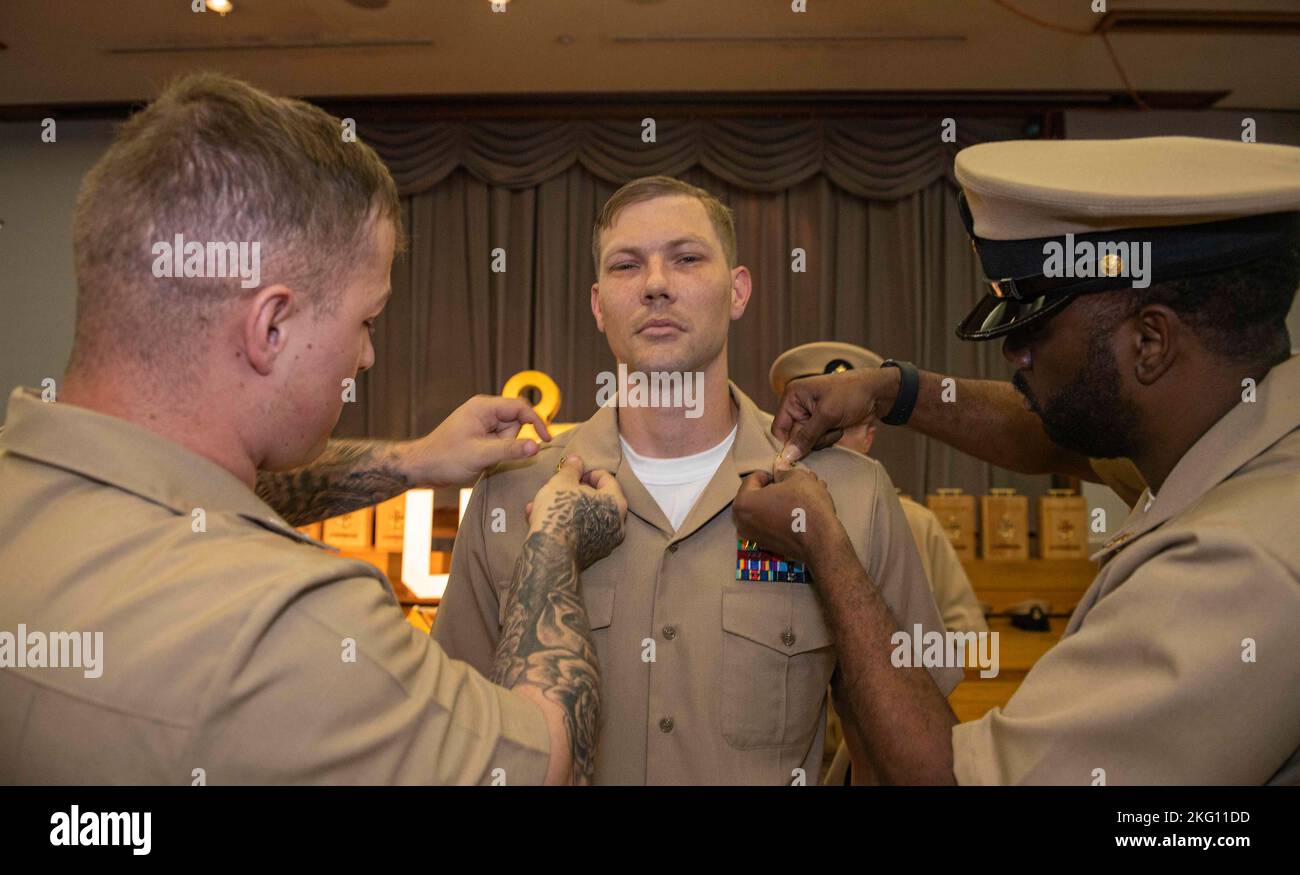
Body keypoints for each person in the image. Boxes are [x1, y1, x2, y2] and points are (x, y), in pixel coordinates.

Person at [0, 72, 627, 786]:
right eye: (366, 320)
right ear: (271, 327)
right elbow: (547, 762)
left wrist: (413, 460)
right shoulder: (292, 629)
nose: (367, 355)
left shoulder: (40, 494)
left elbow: (192, 495)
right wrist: (553, 547)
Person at [738, 136, 1300, 784]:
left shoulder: (1236, 568)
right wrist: (891, 390)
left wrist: (825, 546)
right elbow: (1048, 435)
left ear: (1150, 342)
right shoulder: (1233, 437)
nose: (1014, 354)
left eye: (1035, 328)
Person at [433, 175, 960, 784]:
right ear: (599, 305)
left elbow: (904, 750)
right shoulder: (514, 492)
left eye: (686, 258)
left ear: (738, 291)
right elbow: (459, 730)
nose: (656, 284)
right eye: (627, 265)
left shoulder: (850, 497)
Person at [770, 342, 987, 635]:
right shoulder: (763, 516)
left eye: (842, 426)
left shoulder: (917, 526)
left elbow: (967, 638)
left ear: (868, 438)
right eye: (810, 421)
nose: (824, 438)